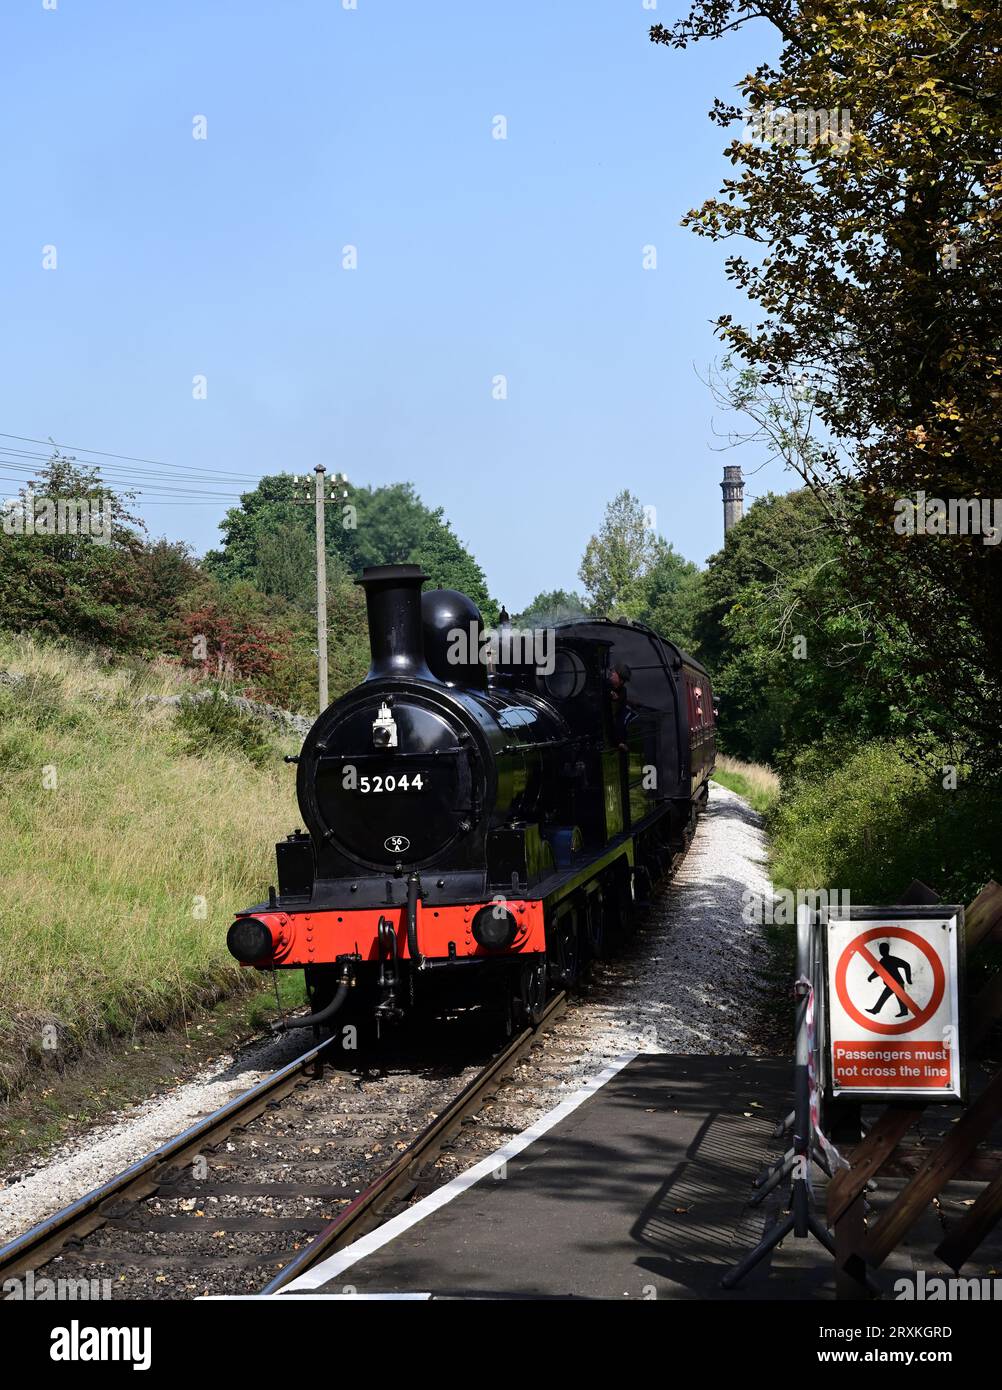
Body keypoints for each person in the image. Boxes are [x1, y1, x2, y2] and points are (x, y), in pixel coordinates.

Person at [866, 941, 912, 1019]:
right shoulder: (887, 960)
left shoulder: (887, 960)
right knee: (898, 998)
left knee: (887, 997)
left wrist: (908, 979)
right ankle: (903, 1011)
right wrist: (870, 977)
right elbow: (878, 972)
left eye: (882, 950)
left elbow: (906, 965)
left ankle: (876, 1010)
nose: (881, 951)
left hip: (896, 983)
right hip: (894, 983)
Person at [608, 662, 632, 751]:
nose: (612, 673)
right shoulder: (607, 685)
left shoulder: (622, 692)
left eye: (615, 673)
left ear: (621, 680)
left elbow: (620, 718)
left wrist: (620, 741)